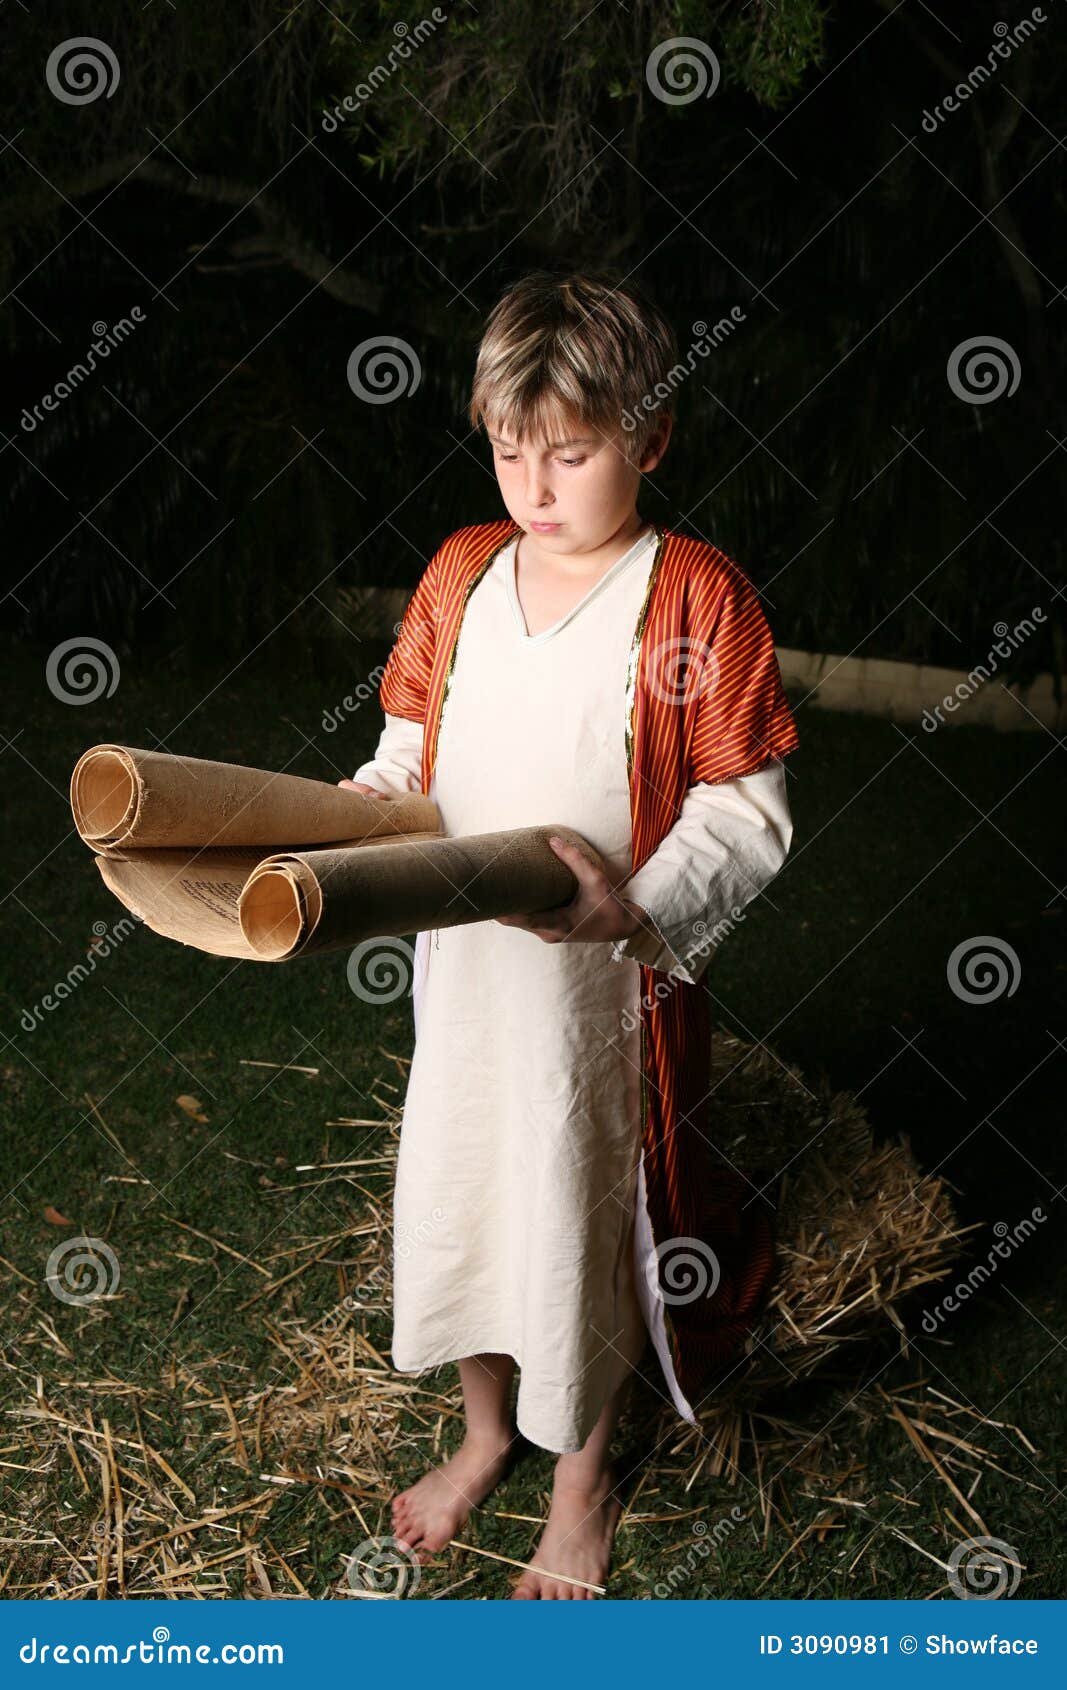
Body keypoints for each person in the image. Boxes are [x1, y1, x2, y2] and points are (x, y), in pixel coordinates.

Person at [339, 270, 799, 1598]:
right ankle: (487, 1432)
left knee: (579, 1214)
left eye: (572, 454)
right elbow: (410, 747)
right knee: (471, 1180)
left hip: (605, 991)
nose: (534, 488)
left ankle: (581, 1482)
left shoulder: (698, 597)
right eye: (507, 450)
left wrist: (631, 905)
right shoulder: (462, 572)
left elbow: (745, 806)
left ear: (652, 436)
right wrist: (351, 818)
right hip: (470, 976)